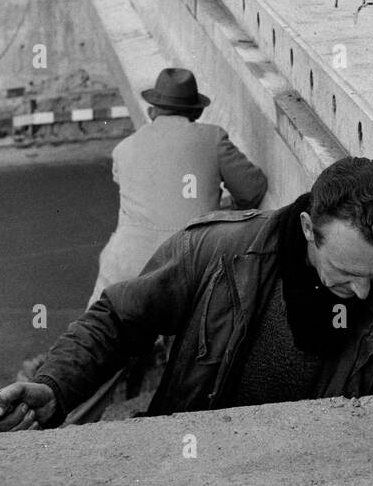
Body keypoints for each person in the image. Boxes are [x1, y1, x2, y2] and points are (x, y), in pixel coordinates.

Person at [0, 157, 373, 429]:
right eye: (347, 272)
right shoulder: (215, 251)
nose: (366, 292)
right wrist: (53, 386)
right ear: (309, 229)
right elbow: (119, 321)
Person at [88, 67, 268, 307]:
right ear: (195, 112)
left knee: (97, 332)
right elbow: (252, 188)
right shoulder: (212, 138)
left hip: (125, 266)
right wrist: (226, 208)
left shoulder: (123, 149)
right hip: (188, 265)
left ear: (153, 111)